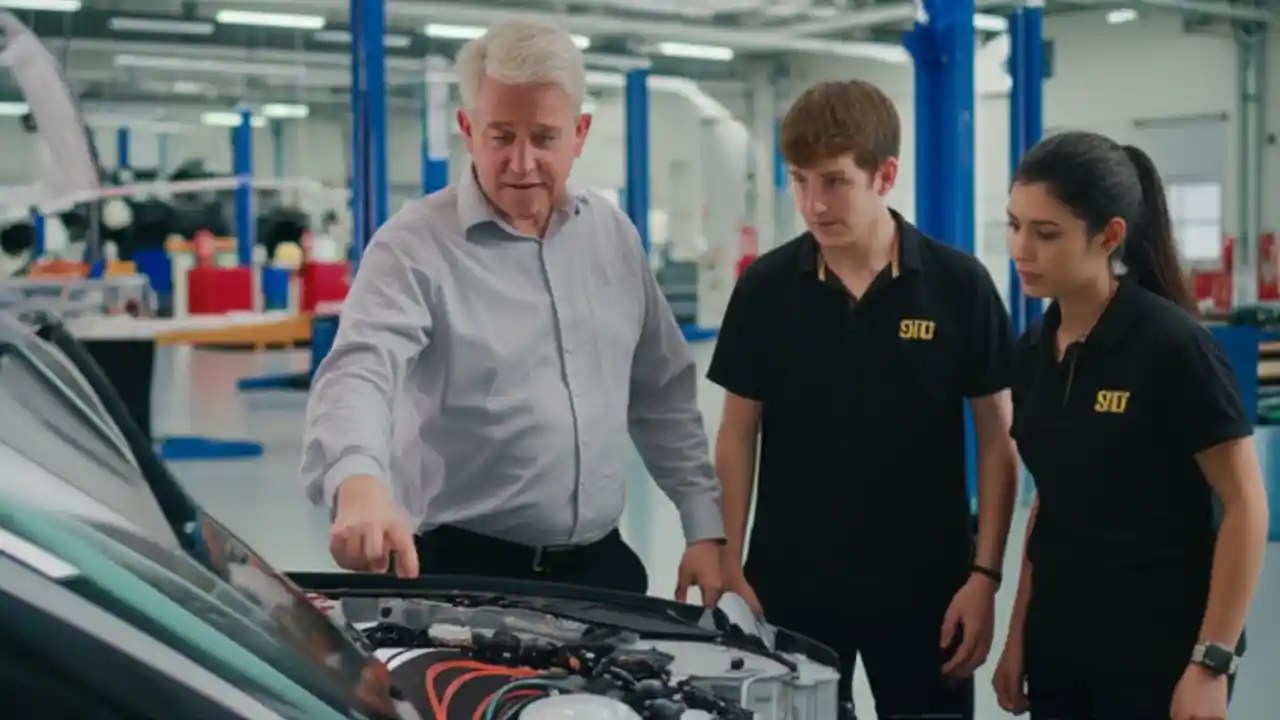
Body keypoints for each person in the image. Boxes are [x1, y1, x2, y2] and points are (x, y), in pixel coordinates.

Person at [299, 18, 725, 602]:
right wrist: (358, 481)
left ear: (579, 133)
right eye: (501, 137)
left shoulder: (612, 238)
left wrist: (703, 527)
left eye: (544, 139)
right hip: (462, 571)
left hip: (600, 571)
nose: (522, 164)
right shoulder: (415, 246)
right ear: (467, 128)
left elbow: (662, 391)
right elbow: (360, 370)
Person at [707, 80, 1020, 720]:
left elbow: (997, 440)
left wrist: (984, 578)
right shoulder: (766, 289)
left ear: (886, 175)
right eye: (798, 181)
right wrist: (729, 565)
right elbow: (737, 433)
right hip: (791, 592)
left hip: (928, 594)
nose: (813, 204)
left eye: (834, 182)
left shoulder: (959, 286)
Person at [993, 131, 1271, 720]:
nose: (1022, 249)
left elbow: (1246, 503)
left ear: (1109, 236)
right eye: (1014, 225)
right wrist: (1017, 636)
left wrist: (1211, 662)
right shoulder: (1032, 354)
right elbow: (1051, 502)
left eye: (1046, 234)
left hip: (1161, 652)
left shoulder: (1172, 347)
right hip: (1063, 647)